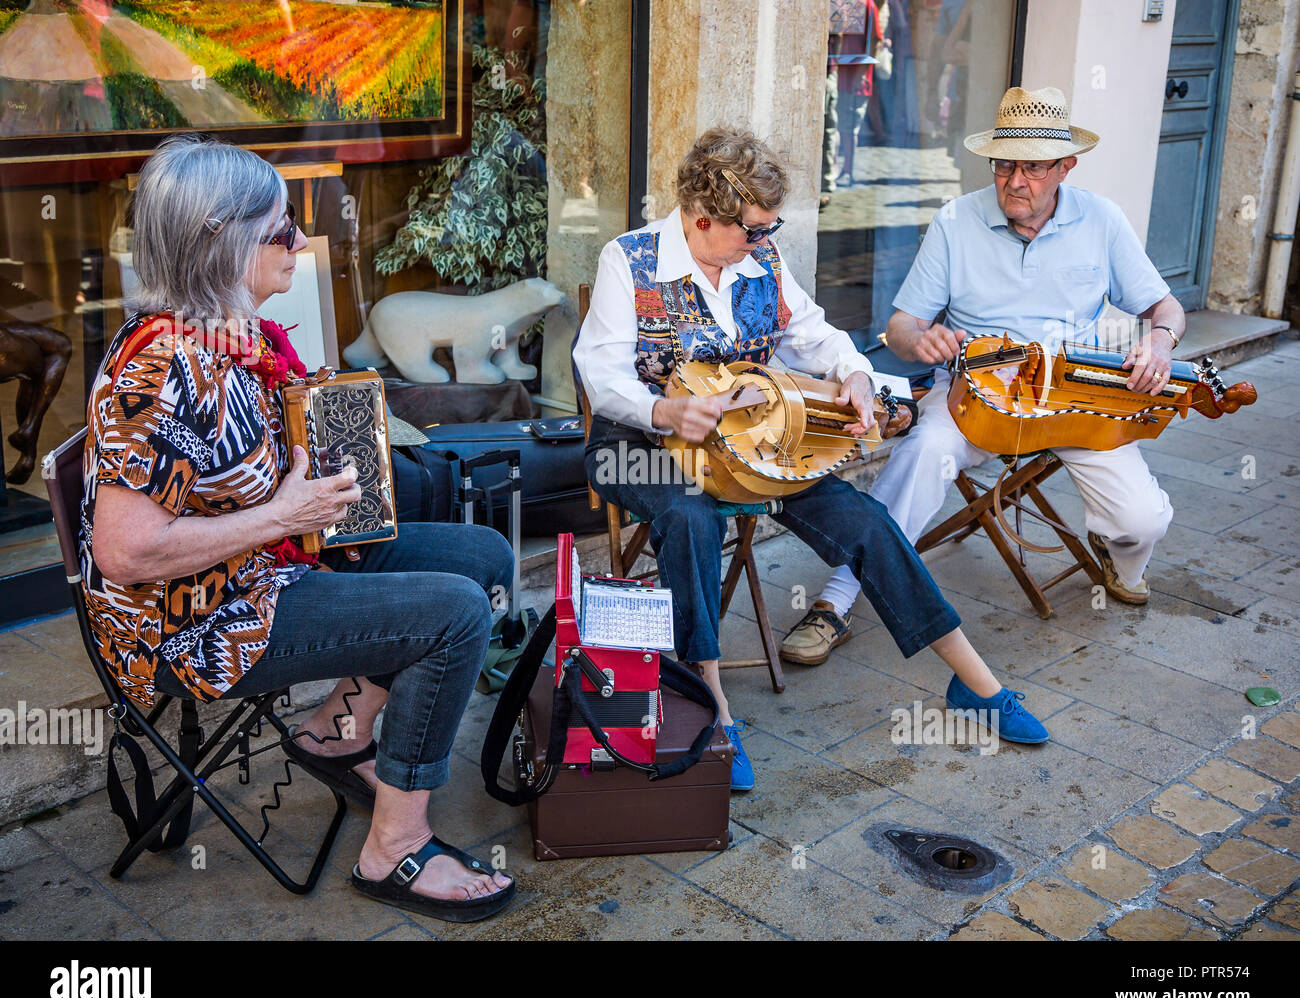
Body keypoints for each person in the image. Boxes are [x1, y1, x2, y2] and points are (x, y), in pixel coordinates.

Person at [80, 135, 517, 922]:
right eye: (280, 231)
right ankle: (395, 850)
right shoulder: (162, 370)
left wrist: (324, 493)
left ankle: (336, 734)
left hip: (260, 573)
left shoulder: (225, 336)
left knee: (482, 556)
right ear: (220, 241)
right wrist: (286, 515)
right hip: (197, 623)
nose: (298, 243)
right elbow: (124, 550)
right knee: (454, 615)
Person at [574, 127, 1051, 793]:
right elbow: (600, 374)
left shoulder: (759, 261)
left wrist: (854, 372)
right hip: (637, 446)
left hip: (750, 444)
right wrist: (665, 411)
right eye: (755, 230)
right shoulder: (630, 259)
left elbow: (817, 334)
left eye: (772, 228)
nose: (765, 241)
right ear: (703, 218)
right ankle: (711, 712)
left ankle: (975, 682)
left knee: (865, 522)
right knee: (690, 520)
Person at [782, 87, 1183, 666]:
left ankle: (1120, 555)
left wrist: (1159, 341)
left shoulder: (1102, 219)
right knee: (922, 455)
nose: (1016, 180)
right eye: (1005, 164)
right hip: (976, 392)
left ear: (1066, 166)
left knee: (1140, 522)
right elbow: (900, 327)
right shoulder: (956, 220)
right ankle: (836, 602)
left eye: (1034, 166)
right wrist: (922, 341)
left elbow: (1166, 309)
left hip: (1075, 396)